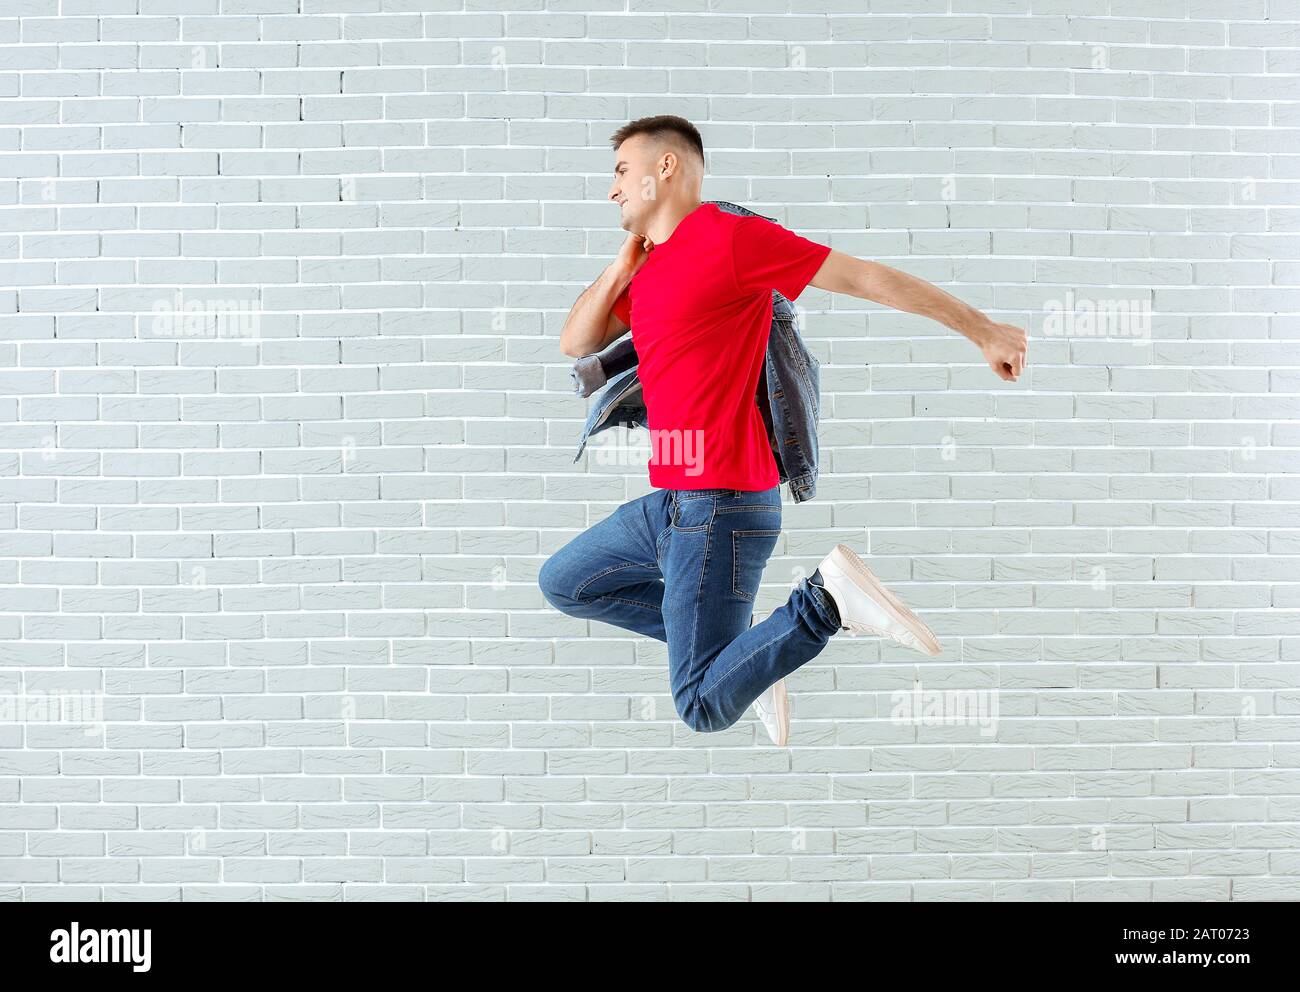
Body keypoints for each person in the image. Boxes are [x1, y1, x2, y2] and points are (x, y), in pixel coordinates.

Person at [539, 115, 1027, 745]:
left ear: (667, 167)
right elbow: (575, 341)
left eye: (622, 171)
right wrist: (622, 263)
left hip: (722, 504)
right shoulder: (653, 269)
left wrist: (983, 328)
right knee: (566, 582)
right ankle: (755, 660)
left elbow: (865, 277)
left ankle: (825, 603)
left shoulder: (731, 239)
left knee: (701, 705)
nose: (613, 190)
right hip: (672, 503)